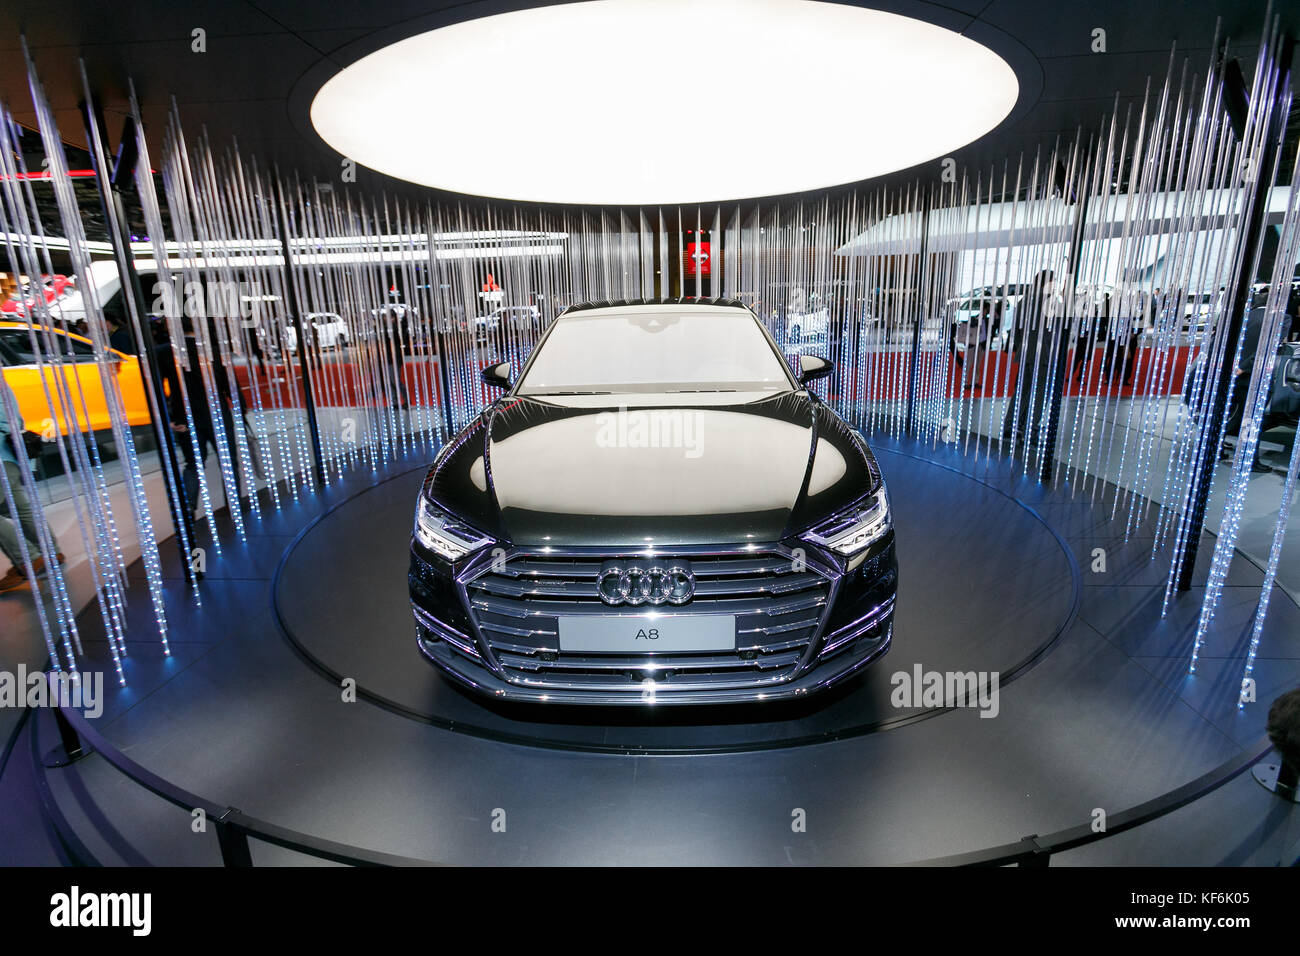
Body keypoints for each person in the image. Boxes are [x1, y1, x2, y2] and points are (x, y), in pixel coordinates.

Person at [0, 378, 63, 593]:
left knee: (17, 506)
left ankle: (28, 560)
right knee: (17, 506)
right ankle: (51, 553)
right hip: (9, 453)